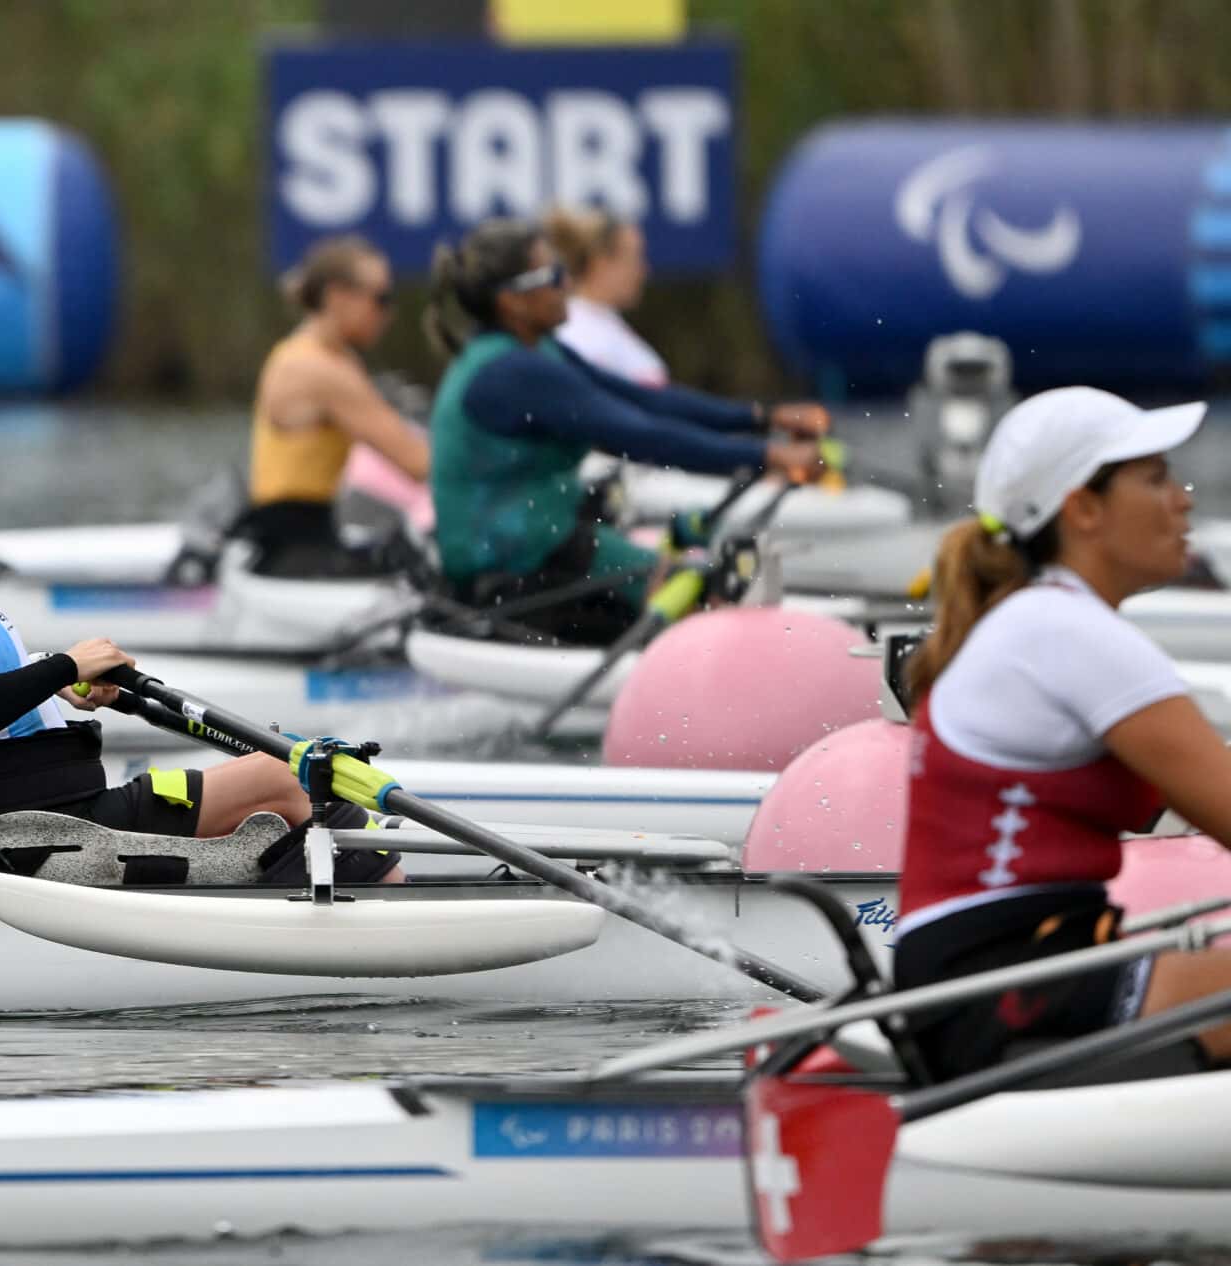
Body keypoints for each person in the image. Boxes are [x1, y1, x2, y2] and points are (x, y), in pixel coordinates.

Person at [0, 385, 401, 881]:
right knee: (295, 777)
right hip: (53, 824)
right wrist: (63, 664)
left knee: (289, 769)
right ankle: (366, 925)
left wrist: (63, 690)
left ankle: (321, 908)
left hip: (47, 806)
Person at [896, 386, 1231, 1081]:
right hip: (997, 987)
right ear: (1083, 509)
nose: (1183, 499)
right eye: (1156, 478)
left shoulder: (1043, 620)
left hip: (1003, 966)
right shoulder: (1063, 630)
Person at [421, 218, 826, 646]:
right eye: (554, 276)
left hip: (551, 548)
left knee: (699, 582)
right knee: (715, 590)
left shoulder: (538, 350)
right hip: (513, 574)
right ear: (512, 301)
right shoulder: (511, 373)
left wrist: (763, 418)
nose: (566, 285)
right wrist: (768, 457)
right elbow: (641, 436)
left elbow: (646, 401)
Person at [243, 236, 431, 576]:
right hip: (295, 554)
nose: (388, 312)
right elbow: (418, 464)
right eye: (381, 298)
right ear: (336, 296)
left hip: (305, 537)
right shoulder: (319, 370)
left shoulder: (318, 355)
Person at [547, 208, 667, 387]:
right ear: (601, 264)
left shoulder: (601, 323)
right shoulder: (576, 334)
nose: (644, 270)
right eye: (634, 258)